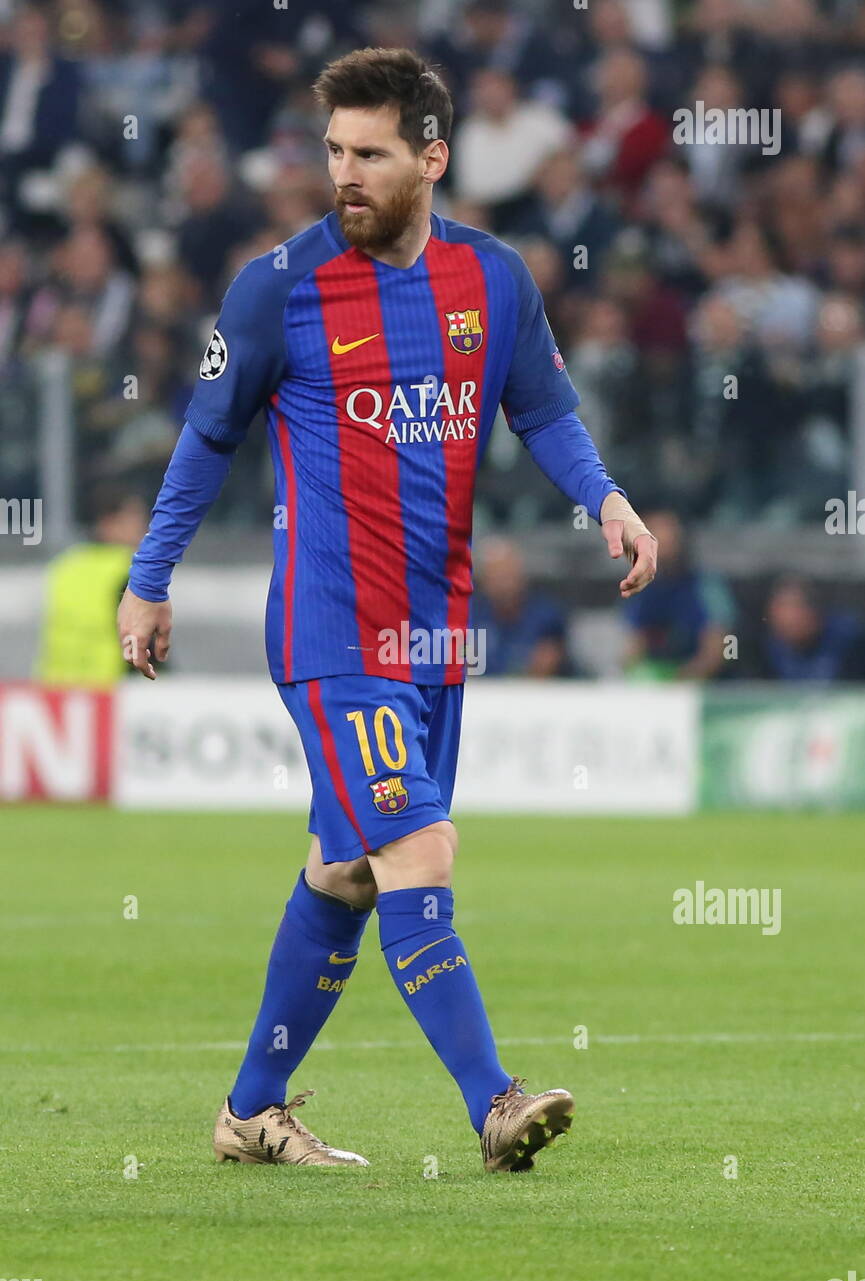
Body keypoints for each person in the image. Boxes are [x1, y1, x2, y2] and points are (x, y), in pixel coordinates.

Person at [117, 47, 657, 1175]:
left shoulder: (494, 279)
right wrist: (151, 575)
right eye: (333, 153)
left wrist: (603, 497)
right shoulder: (278, 286)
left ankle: (251, 1111)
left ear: (432, 156)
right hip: (333, 631)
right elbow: (207, 436)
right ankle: (493, 1103)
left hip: (436, 634)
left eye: (368, 154)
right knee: (420, 845)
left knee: (350, 873)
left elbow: (543, 411)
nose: (344, 175)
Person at [38, 486, 148, 689]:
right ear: (108, 523)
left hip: (56, 692)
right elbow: (142, 642)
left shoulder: (65, 565)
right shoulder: (130, 570)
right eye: (134, 522)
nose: (144, 531)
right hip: (110, 692)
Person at [623, 509, 730, 680]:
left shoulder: (706, 585)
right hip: (657, 681)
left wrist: (685, 678)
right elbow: (633, 646)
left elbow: (717, 648)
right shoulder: (641, 588)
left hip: (706, 684)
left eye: (666, 532)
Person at [470, 535, 570, 676]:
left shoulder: (546, 616)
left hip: (534, 694)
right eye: (496, 577)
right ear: (484, 581)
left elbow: (550, 663)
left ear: (521, 575)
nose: (504, 585)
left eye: (508, 575)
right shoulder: (471, 615)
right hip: (483, 694)